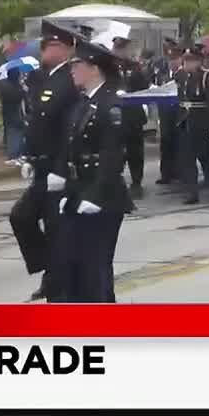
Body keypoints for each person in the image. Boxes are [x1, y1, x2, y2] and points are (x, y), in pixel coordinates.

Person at [52, 38, 132, 303]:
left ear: (94, 69)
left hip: (104, 195)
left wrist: (96, 195)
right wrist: (65, 183)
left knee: (96, 265)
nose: (73, 70)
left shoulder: (111, 104)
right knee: (72, 261)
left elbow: (112, 153)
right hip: (79, 189)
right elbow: (71, 144)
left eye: (78, 65)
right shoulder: (84, 102)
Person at [11, 22, 79, 302]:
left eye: (50, 46)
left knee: (56, 228)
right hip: (42, 165)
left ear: (64, 49)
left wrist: (62, 168)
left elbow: (69, 128)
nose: (43, 50)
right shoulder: (45, 77)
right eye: (44, 45)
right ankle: (51, 272)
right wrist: (27, 155)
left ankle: (58, 287)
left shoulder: (68, 80)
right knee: (21, 217)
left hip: (57, 167)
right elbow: (36, 121)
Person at [175, 44, 209, 204]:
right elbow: (180, 99)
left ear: (199, 61)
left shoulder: (206, 77)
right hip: (186, 122)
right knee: (187, 159)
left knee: (205, 158)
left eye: (191, 61)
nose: (188, 64)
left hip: (201, 123)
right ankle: (192, 193)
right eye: (186, 60)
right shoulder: (180, 76)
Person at [113, 35, 150, 199]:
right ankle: (115, 181)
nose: (121, 52)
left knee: (135, 150)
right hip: (114, 114)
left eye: (123, 49)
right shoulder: (108, 66)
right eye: (118, 48)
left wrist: (129, 91)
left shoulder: (135, 67)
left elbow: (144, 87)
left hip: (132, 114)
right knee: (116, 149)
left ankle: (136, 183)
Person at [153, 38, 182, 186]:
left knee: (179, 142)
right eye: (171, 59)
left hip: (178, 113)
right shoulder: (163, 73)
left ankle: (179, 171)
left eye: (175, 59)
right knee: (165, 142)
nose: (173, 62)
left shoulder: (183, 75)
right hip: (165, 113)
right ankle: (166, 173)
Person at [0, 67, 27, 165]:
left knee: (16, 134)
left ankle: (18, 155)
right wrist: (23, 90)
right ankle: (13, 156)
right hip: (15, 113)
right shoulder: (13, 86)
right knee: (15, 135)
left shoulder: (4, 84)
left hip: (9, 113)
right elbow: (17, 96)